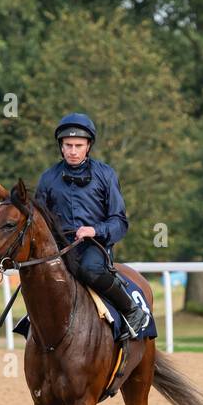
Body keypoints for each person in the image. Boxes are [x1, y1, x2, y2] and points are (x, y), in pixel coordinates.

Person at [33, 112, 149, 338]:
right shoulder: (48, 178)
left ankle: (132, 311)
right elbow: (39, 221)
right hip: (58, 248)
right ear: (61, 146)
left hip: (94, 247)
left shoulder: (106, 174)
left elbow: (119, 222)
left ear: (88, 146)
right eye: (68, 145)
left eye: (78, 145)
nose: (73, 151)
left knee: (88, 269)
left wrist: (94, 230)